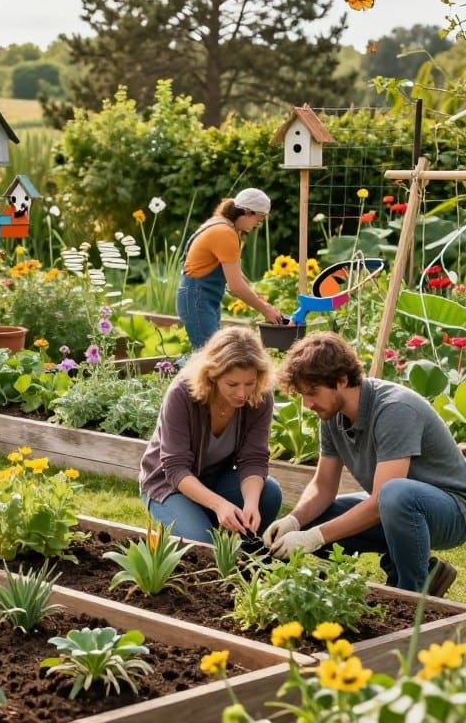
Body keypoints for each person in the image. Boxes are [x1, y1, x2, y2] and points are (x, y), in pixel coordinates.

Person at [265, 331, 466, 597]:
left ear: (342, 380)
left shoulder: (395, 409)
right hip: (398, 505)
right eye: (303, 395)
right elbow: (323, 486)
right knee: (318, 517)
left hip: (452, 510)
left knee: (394, 495)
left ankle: (409, 595)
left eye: (313, 393)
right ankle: (426, 572)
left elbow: (380, 502)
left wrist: (314, 537)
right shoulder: (331, 417)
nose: (308, 404)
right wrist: (295, 520)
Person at [139, 325, 282, 542]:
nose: (242, 393)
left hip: (215, 480)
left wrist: (251, 503)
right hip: (169, 485)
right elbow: (175, 468)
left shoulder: (259, 398)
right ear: (212, 376)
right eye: (232, 384)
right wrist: (219, 504)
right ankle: (194, 519)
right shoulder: (182, 394)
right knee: (201, 541)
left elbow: (254, 458)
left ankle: (245, 550)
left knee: (269, 494)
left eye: (250, 383)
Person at [176, 187, 283, 349]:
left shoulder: (223, 224)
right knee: (209, 357)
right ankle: (175, 372)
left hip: (201, 298)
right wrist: (265, 309)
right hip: (197, 300)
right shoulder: (225, 233)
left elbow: (235, 273)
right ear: (247, 212)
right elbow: (235, 286)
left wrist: (258, 297)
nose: (258, 224)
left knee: (210, 355)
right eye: (259, 219)